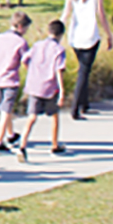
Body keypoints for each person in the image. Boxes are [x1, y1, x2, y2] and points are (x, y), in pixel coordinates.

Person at [59, 0, 113, 121]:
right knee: (84, 71)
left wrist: (58, 33)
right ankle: (76, 107)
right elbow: (101, 15)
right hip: (90, 36)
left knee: (84, 69)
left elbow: (66, 14)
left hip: (75, 37)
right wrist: (109, 34)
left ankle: (84, 103)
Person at [17, 19, 71, 159]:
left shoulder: (37, 45)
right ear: (61, 35)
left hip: (34, 84)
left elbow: (24, 59)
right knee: (54, 115)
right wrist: (62, 91)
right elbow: (59, 70)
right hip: (49, 87)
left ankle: (22, 145)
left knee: (32, 116)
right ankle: (54, 144)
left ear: (49, 31)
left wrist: (31, 71)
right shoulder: (59, 50)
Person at [0, 12, 30, 156]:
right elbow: (25, 61)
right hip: (11, 79)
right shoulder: (21, 42)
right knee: (6, 109)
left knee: (6, 107)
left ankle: (11, 134)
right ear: (21, 27)